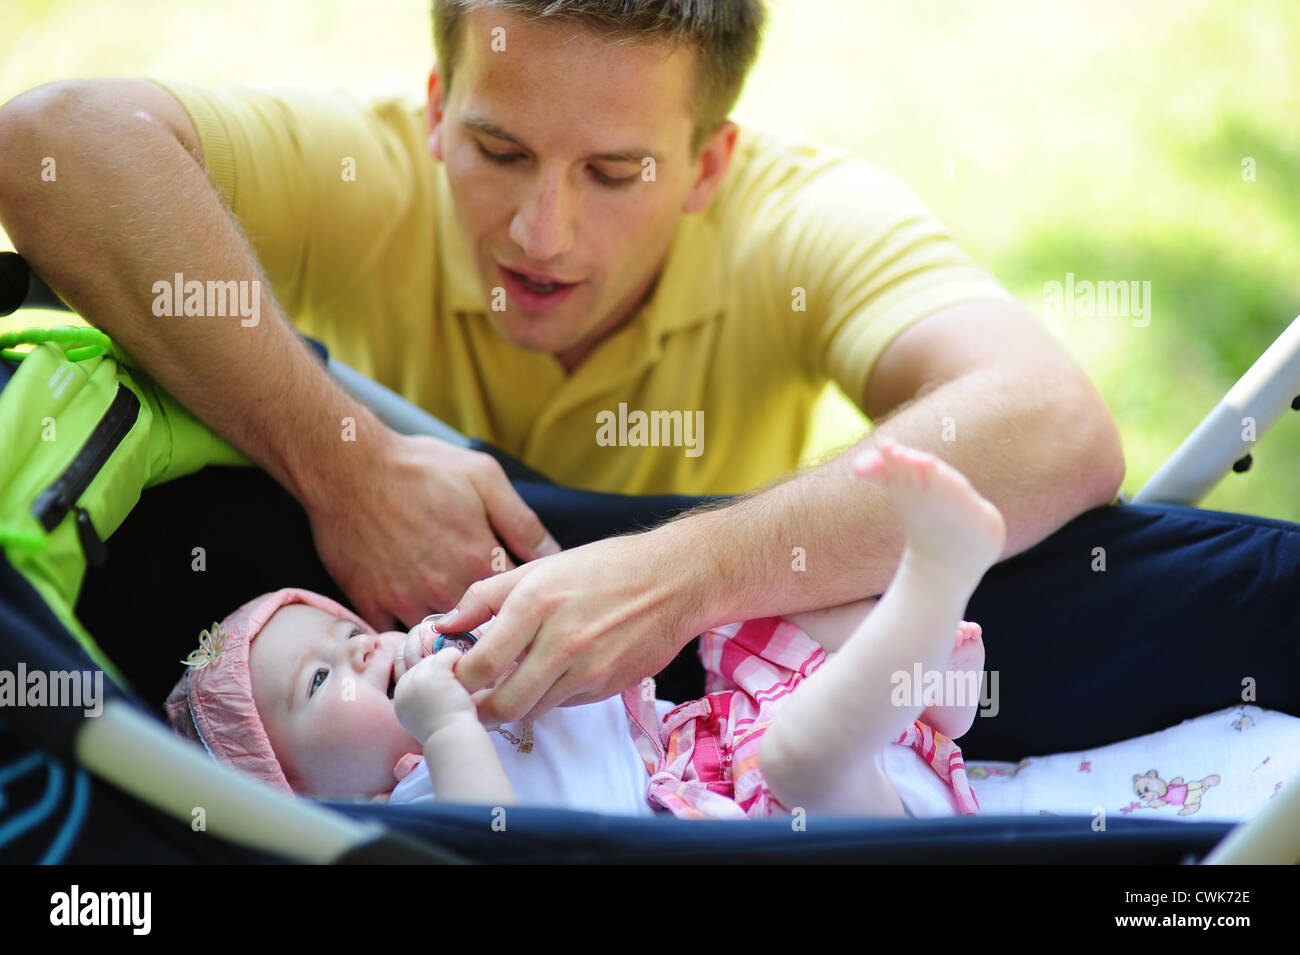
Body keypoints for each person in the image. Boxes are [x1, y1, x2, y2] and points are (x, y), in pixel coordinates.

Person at [0, 1, 1124, 731]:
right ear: (438, 114)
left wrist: (678, 574)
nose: (541, 232)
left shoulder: (798, 217)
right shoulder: (373, 169)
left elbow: (1052, 421)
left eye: (614, 172)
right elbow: (51, 145)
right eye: (500, 152)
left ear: (705, 165)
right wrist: (348, 471)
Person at [166, 437, 1003, 818]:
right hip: (808, 825)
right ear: (316, 796)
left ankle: (926, 692)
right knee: (802, 755)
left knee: (737, 632)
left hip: (735, 763)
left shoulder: (468, 686)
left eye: (347, 632)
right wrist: (451, 727)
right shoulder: (418, 811)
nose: (361, 649)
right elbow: (497, 848)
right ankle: (933, 584)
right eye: (319, 680)